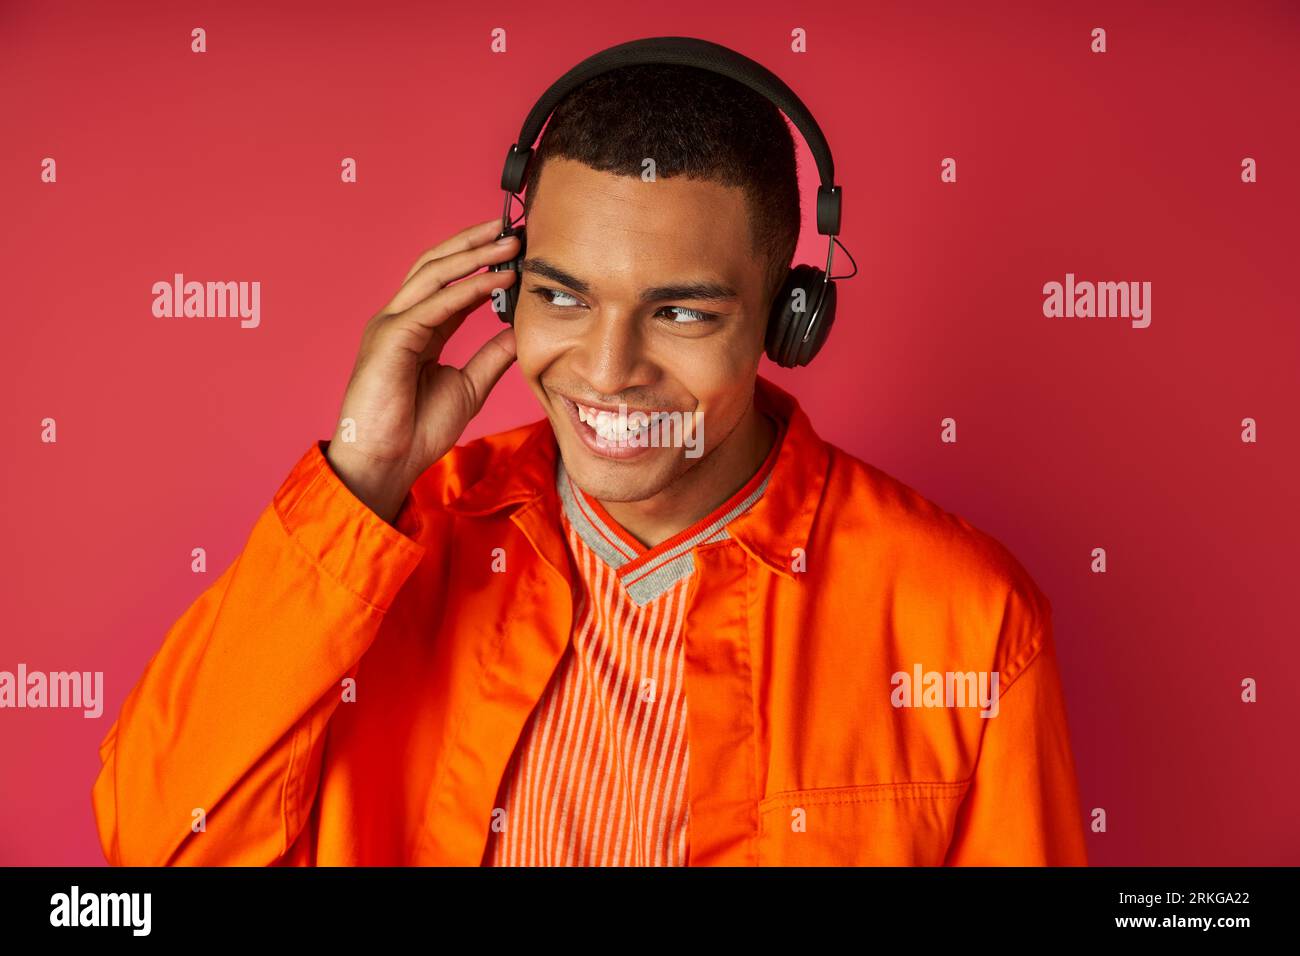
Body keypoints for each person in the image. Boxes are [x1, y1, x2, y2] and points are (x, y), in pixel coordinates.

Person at [91, 42, 1088, 867]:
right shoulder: (393, 543)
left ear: (789, 321)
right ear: (504, 289)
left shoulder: (967, 617)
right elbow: (153, 845)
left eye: (681, 310)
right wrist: (359, 478)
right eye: (562, 297)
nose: (608, 371)